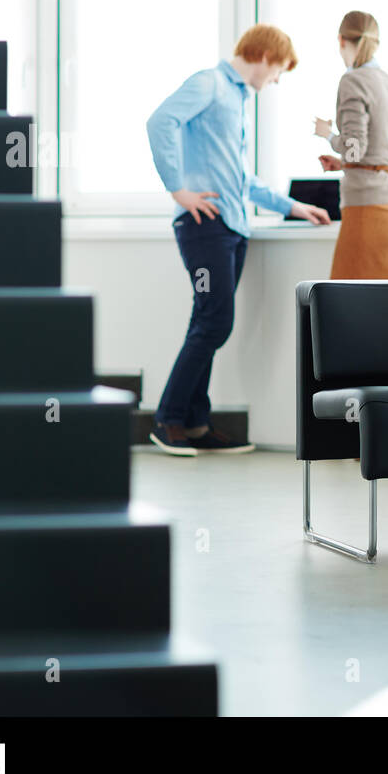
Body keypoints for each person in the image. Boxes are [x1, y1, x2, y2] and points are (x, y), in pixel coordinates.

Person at [147, 23, 331, 458]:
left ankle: (194, 423)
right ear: (266, 56)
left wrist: (293, 206)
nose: (276, 81)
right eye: (279, 71)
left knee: (207, 322)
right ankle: (167, 419)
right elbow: (160, 121)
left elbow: (241, 177)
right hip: (204, 226)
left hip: (230, 227)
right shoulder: (210, 83)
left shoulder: (237, 100)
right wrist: (178, 188)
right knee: (215, 322)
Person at [314, 11, 388, 279]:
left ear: (341, 40)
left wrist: (328, 135)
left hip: (366, 215)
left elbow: (354, 148)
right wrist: (348, 164)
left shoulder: (352, 81)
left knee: (348, 310)